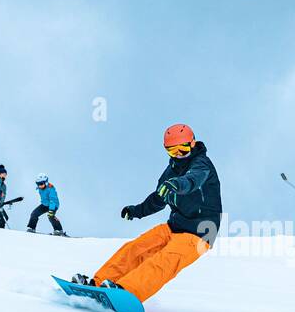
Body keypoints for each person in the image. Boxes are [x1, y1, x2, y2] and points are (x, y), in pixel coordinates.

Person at [73, 123, 222, 302]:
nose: (178, 155)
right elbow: (159, 199)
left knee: (163, 261)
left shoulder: (202, 164)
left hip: (200, 232)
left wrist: (177, 185)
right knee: (134, 249)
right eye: (172, 151)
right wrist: (136, 211)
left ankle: (126, 291)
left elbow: (193, 179)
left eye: (182, 150)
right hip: (174, 226)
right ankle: (98, 284)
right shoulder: (171, 171)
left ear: (192, 143)